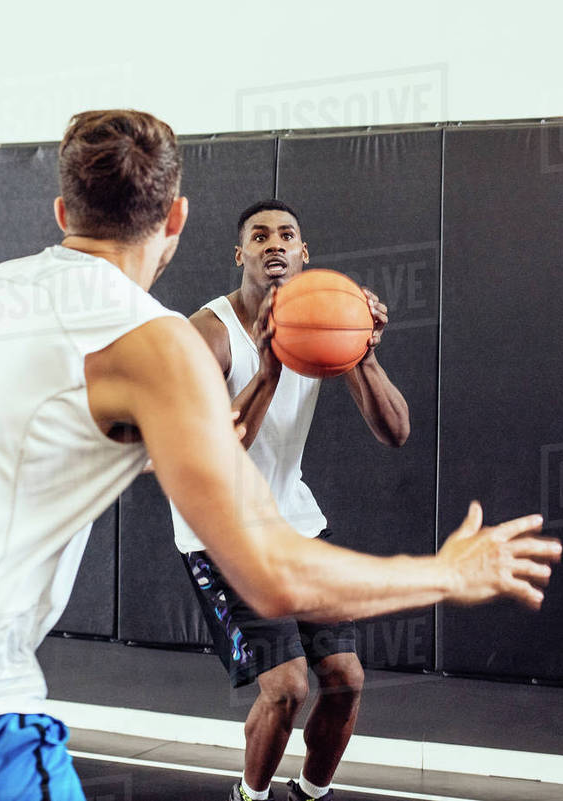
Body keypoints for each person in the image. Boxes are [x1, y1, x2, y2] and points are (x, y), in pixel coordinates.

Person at [0, 109, 562, 801]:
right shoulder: (161, 340)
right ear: (178, 217)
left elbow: (130, 443)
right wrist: (449, 572)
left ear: (62, 212)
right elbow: (273, 572)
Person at [173, 198, 409, 801]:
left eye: (286, 235)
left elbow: (396, 431)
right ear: (240, 255)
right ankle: (250, 797)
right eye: (259, 236)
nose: (273, 244)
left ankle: (309, 795)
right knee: (286, 687)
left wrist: (363, 352)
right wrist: (268, 368)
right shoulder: (208, 335)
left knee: (345, 679)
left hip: (292, 525)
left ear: (304, 253)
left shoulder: (323, 320)